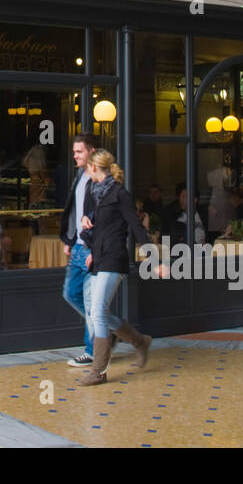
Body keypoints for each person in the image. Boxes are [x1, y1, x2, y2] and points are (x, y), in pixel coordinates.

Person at [75, 150, 153, 386]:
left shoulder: (120, 194)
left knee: (98, 311)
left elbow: (135, 226)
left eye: (87, 168)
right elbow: (98, 230)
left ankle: (98, 371)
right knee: (100, 313)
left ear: (95, 168)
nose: (86, 172)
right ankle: (140, 341)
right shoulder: (95, 193)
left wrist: (153, 257)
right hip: (99, 257)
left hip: (115, 258)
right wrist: (85, 225)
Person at [59, 133, 98, 366]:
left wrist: (95, 248)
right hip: (78, 247)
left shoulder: (101, 177)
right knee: (71, 293)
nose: (75, 155)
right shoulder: (79, 175)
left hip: (92, 248)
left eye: (79, 151)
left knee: (92, 302)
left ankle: (92, 349)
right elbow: (74, 209)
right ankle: (108, 329)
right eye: (74, 151)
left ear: (91, 152)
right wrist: (70, 239)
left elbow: (104, 216)